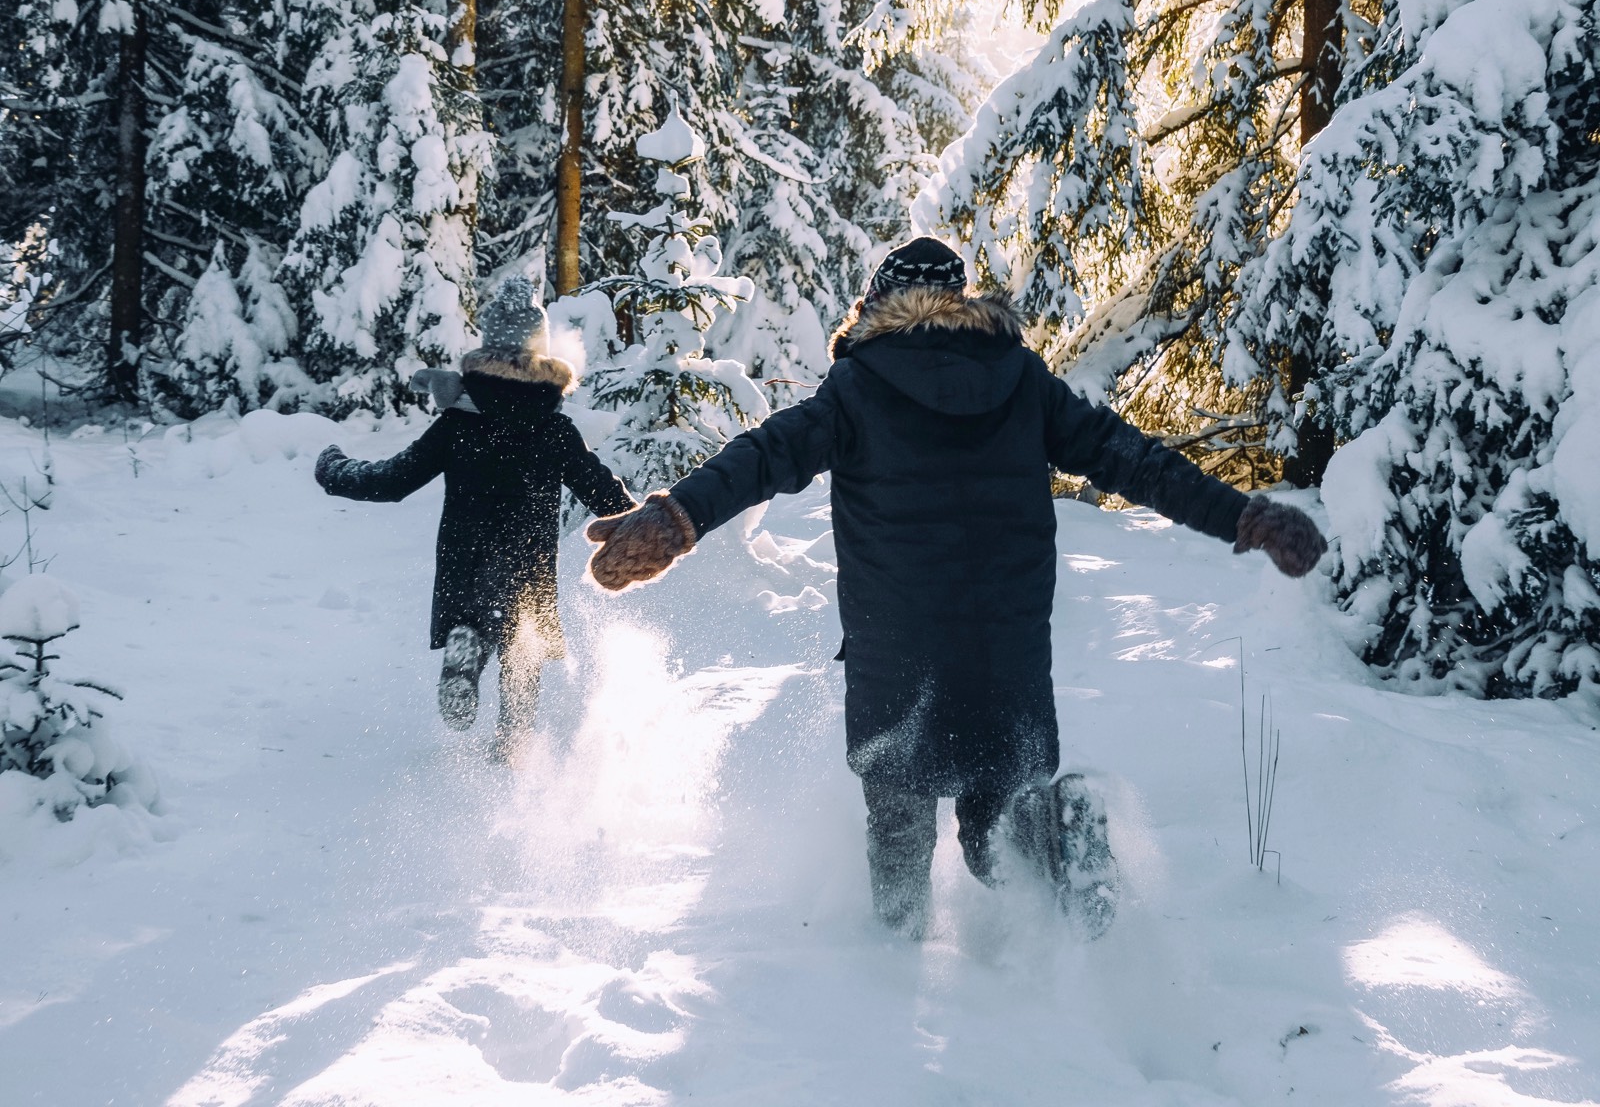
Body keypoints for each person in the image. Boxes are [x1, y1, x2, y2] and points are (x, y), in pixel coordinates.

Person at [585, 237, 1326, 937]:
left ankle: (891, 979)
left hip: (898, 659)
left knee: (900, 836)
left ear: (876, 308)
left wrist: (678, 516)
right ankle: (1064, 843)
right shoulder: (1025, 383)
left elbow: (762, 456)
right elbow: (1133, 460)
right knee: (998, 836)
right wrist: (1245, 516)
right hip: (1006, 659)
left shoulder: (857, 386)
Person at [315, 275, 633, 751]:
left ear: (488, 347)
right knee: (522, 652)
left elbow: (392, 480)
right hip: (529, 564)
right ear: (539, 353)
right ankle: (511, 745)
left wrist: (334, 470)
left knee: (476, 618)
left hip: (468, 558)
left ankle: (466, 644)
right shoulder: (554, 429)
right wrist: (654, 520)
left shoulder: (458, 423)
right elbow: (606, 497)